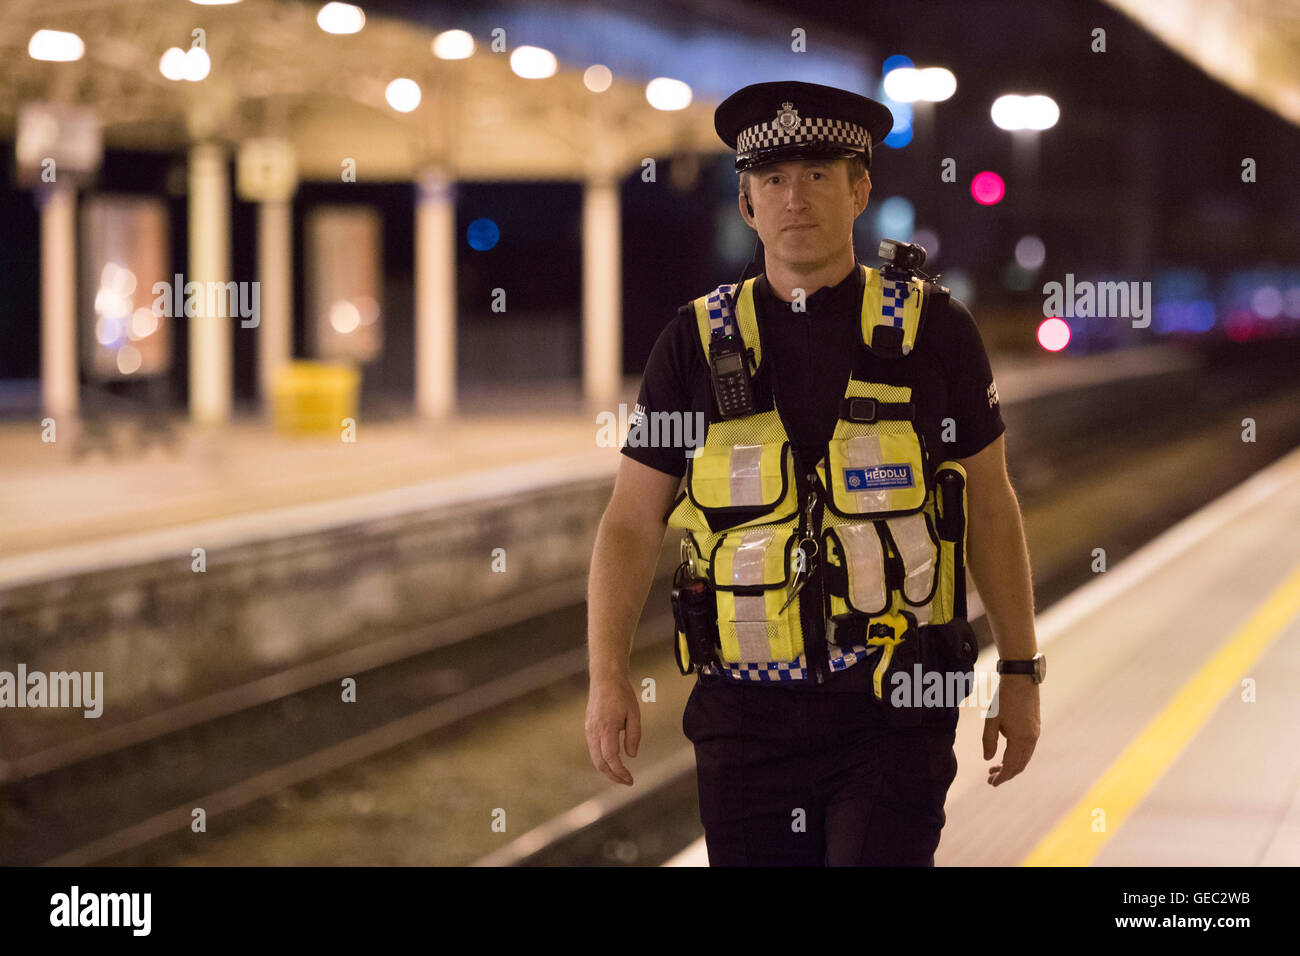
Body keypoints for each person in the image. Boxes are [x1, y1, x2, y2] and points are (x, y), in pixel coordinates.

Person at [585, 80, 1043, 866]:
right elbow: (631, 518)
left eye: (819, 175)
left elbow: (991, 504)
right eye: (773, 179)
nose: (795, 197)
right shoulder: (692, 346)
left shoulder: (936, 330)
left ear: (859, 190)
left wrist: (1022, 668)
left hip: (897, 709)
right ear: (747, 203)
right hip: (745, 723)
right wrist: (606, 676)